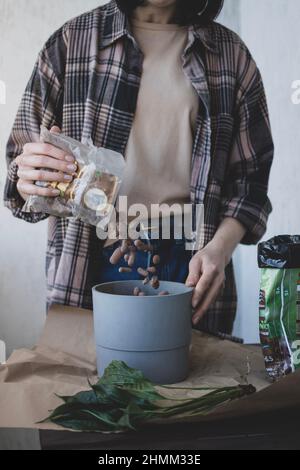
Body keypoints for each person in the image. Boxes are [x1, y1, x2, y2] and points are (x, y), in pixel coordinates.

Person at [3, 0, 274, 333]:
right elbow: (18, 171)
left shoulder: (230, 54)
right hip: (90, 260)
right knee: (96, 382)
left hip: (193, 262)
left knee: (193, 381)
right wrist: (30, 176)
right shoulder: (71, 42)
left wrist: (219, 249)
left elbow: (250, 185)